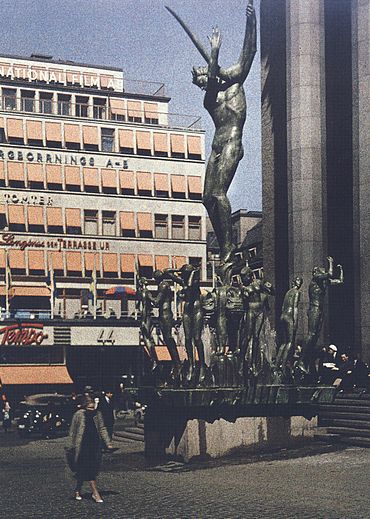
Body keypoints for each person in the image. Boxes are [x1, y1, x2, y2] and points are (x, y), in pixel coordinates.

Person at [166, 2, 256, 265]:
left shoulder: (236, 81)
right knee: (206, 198)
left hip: (231, 143)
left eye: (203, 78)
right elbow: (215, 75)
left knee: (219, 194)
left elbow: (248, 51)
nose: (202, 83)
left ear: (209, 74)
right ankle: (225, 240)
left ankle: (229, 247)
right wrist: (214, 51)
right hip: (216, 148)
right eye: (200, 82)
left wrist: (252, 23)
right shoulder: (209, 100)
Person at [67, 396, 113, 503]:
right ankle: (95, 492)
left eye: (93, 407)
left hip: (94, 445)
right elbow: (73, 431)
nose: (92, 410)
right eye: (89, 408)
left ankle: (77, 490)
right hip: (82, 445)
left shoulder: (98, 415)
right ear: (85, 407)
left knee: (86, 469)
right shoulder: (79, 415)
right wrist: (70, 446)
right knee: (88, 469)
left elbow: (102, 428)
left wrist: (108, 443)